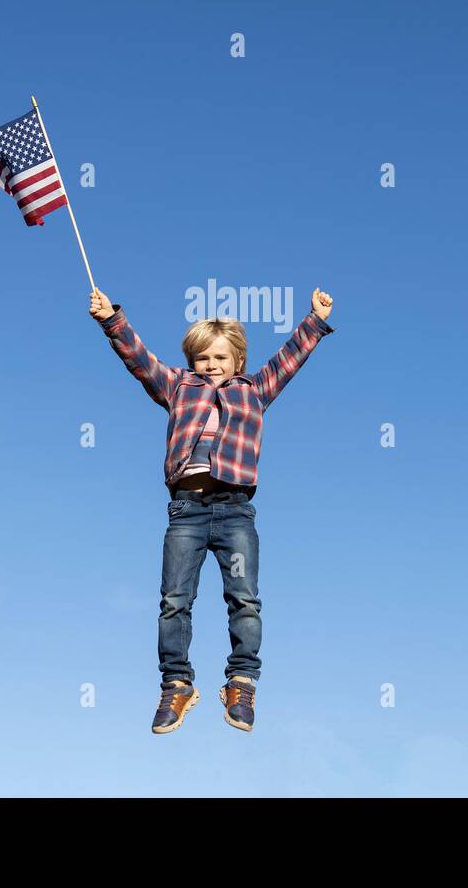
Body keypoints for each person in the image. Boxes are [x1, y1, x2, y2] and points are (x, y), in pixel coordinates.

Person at [89, 287, 336, 733]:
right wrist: (111, 319)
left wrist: (314, 322)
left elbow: (289, 359)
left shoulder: (255, 390)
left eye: (220, 358)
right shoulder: (179, 387)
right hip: (186, 511)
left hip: (236, 512)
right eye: (203, 358)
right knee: (174, 601)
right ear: (191, 361)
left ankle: (242, 681)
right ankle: (176, 685)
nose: (211, 366)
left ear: (238, 362)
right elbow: (138, 358)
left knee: (244, 599)